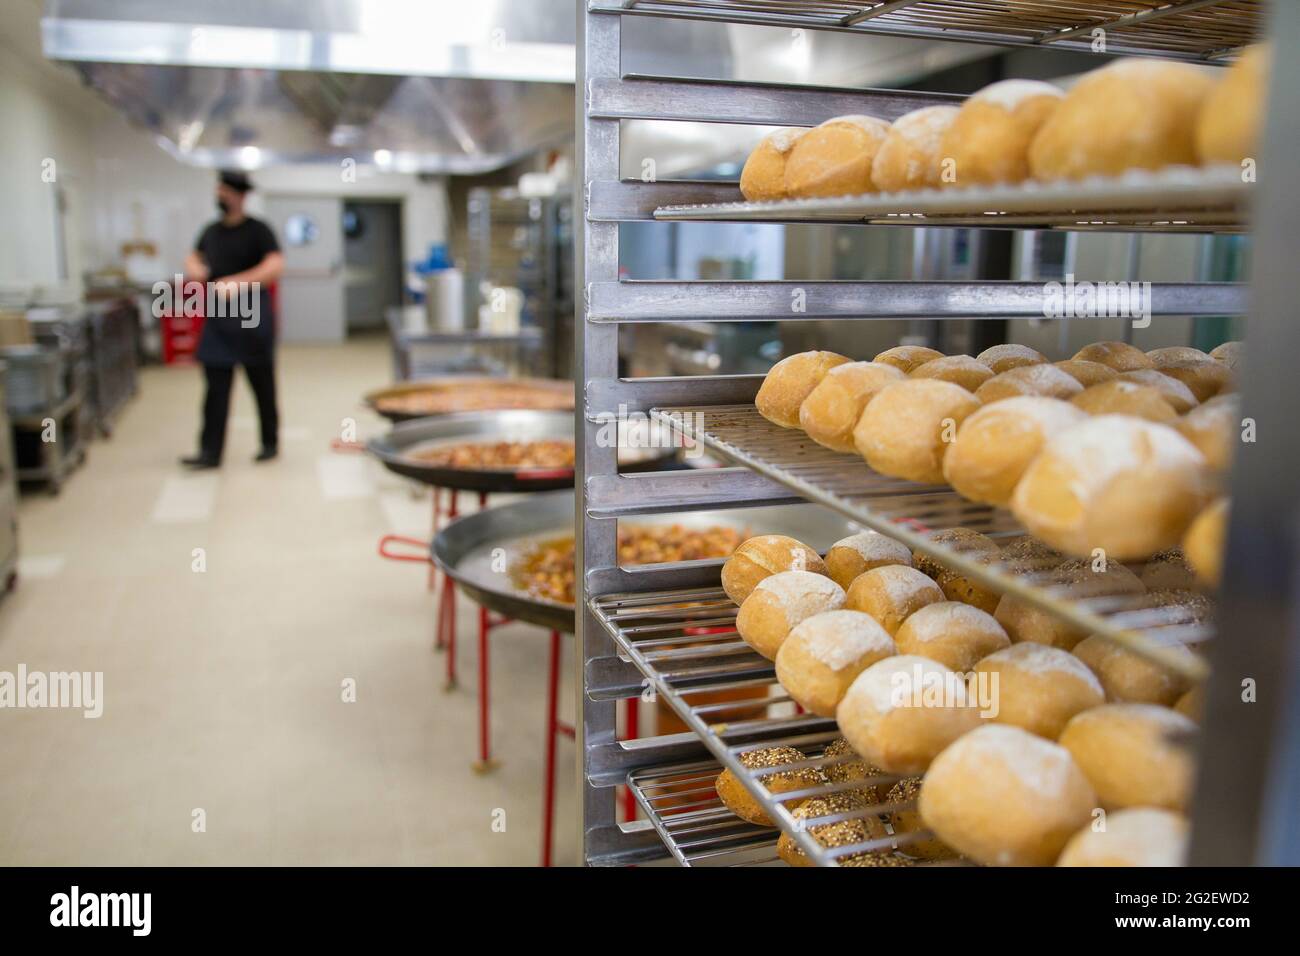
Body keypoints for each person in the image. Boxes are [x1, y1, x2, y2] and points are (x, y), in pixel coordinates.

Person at [180, 171, 285, 469]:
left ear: (240, 196)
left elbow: (275, 265)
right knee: (215, 391)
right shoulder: (211, 231)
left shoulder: (259, 230)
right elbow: (193, 256)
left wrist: (239, 283)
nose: (220, 196)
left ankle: (269, 442)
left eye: (225, 191)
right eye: (219, 191)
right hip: (219, 321)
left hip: (253, 318)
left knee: (262, 386)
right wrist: (194, 267)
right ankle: (209, 453)